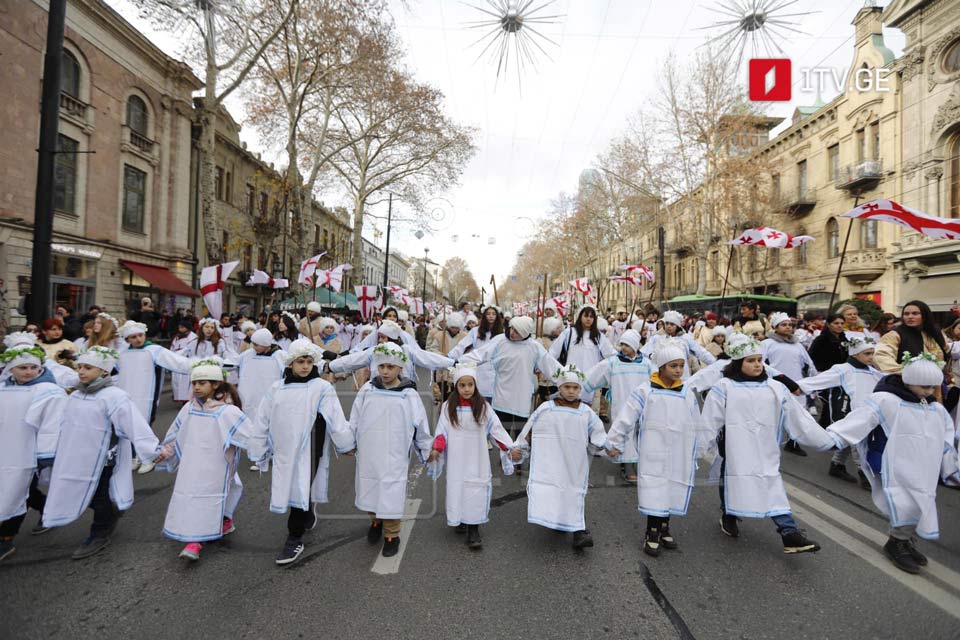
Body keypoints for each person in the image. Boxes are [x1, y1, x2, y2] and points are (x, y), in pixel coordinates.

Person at [699, 333, 834, 554]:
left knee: (771, 485)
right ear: (738, 363)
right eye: (750, 361)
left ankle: (789, 533)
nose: (757, 365)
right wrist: (697, 449)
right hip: (734, 446)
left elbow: (798, 417)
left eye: (760, 360)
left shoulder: (775, 387)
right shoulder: (724, 386)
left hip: (764, 448)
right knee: (732, 479)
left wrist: (826, 440)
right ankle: (729, 515)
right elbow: (709, 420)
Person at [826, 353, 960, 574]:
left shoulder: (933, 406)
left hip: (921, 464)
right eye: (924, 386)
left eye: (932, 387)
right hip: (890, 459)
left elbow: (944, 431)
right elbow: (861, 419)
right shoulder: (887, 399)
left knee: (919, 500)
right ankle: (896, 542)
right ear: (908, 380)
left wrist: (946, 458)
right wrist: (831, 437)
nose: (929, 392)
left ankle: (904, 539)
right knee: (904, 500)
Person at [42, 346, 166, 559]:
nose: (81, 371)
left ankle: (100, 532)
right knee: (81, 491)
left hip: (104, 459)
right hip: (77, 456)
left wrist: (151, 450)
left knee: (99, 496)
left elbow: (134, 425)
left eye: (88, 367)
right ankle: (111, 512)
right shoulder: (75, 396)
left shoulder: (115, 397)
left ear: (104, 371)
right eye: (80, 366)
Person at [243, 340, 352, 565]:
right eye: (300, 362)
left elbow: (336, 419)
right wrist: (258, 446)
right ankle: (308, 507)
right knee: (295, 485)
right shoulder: (277, 388)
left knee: (300, 484)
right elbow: (263, 419)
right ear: (291, 363)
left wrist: (346, 444)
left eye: (309, 362)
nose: (304, 366)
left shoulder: (321, 388)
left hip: (311, 447)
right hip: (284, 449)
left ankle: (295, 537)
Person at [606, 338, 701, 557]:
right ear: (661, 366)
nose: (678, 370)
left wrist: (697, 450)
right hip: (653, 449)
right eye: (673, 366)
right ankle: (652, 531)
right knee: (655, 487)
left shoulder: (686, 392)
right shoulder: (645, 391)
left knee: (672, 485)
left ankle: (665, 526)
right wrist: (615, 443)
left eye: (681, 366)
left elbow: (695, 422)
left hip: (678, 450)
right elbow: (626, 418)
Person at [341, 343, 433, 558]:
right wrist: (347, 442)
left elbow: (421, 425)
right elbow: (354, 419)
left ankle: (392, 534)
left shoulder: (408, 394)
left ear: (400, 368)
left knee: (391, 492)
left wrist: (426, 450)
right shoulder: (368, 390)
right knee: (370, 488)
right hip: (369, 452)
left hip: (395, 454)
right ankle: (375, 520)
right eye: (382, 366)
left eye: (391, 367)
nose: (385, 371)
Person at [156, 357, 248, 562]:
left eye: (202, 383)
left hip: (217, 466)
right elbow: (176, 433)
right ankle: (202, 532)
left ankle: (196, 540)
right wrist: (165, 451)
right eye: (194, 383)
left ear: (216, 384)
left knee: (212, 497)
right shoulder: (188, 408)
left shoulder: (228, 412)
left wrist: (270, 451)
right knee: (192, 497)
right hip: (191, 466)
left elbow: (250, 436)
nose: (196, 387)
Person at [509, 364, 608, 550]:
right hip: (551, 461)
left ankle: (579, 532)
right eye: (567, 387)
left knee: (574, 492)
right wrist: (519, 449)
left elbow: (598, 433)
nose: (571, 391)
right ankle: (558, 520)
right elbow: (530, 431)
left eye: (575, 388)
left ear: (580, 389)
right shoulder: (546, 408)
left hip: (575, 462)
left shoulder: (586, 411)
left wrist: (607, 447)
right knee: (553, 491)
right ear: (559, 388)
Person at [426, 363, 514, 550]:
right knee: (458, 489)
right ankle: (461, 519)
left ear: (475, 385)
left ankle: (474, 530)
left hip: (478, 458)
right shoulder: (449, 407)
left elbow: (496, 430)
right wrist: (437, 449)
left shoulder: (484, 407)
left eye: (470, 385)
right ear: (456, 387)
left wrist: (509, 448)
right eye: (462, 385)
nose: (466, 389)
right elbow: (442, 432)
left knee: (476, 490)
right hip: (457, 459)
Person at [0, 342, 66, 563]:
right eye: (22, 368)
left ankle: (6, 537)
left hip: (27, 452)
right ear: (11, 369)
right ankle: (45, 506)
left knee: (16, 492)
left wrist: (45, 454)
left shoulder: (48, 391)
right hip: (5, 449)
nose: (28, 372)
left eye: (32, 367)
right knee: (14, 489)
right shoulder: (3, 388)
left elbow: (52, 424)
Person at [798, 334, 883, 486]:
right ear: (855, 354)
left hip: (868, 412)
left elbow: (886, 379)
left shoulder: (872, 371)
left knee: (848, 438)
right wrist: (794, 386)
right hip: (848, 411)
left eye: (872, 353)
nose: (871, 357)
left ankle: (837, 464)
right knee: (858, 439)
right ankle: (864, 473)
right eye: (867, 353)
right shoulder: (843, 369)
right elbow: (819, 380)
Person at [462, 316, 563, 442]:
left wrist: (568, 378)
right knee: (502, 432)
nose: (512, 333)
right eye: (511, 329)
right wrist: (459, 362)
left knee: (521, 431)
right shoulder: (500, 341)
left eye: (517, 331)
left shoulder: (534, 347)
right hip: (502, 395)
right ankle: (504, 458)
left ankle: (518, 457)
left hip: (522, 396)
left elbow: (550, 366)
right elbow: (480, 354)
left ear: (525, 333)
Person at [115, 321, 193, 474]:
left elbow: (178, 363)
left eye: (140, 335)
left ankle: (148, 456)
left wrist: (203, 366)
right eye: (133, 337)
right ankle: (133, 456)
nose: (138, 339)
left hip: (146, 395)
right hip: (127, 393)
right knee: (126, 425)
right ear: (127, 339)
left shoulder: (153, 350)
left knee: (143, 424)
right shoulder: (122, 353)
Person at [584, 329, 654, 484]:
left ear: (635, 347)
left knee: (641, 434)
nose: (623, 348)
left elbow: (657, 381)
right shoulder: (613, 363)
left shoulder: (647, 364)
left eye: (627, 345)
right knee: (624, 432)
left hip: (643, 406)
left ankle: (638, 463)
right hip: (621, 404)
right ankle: (627, 465)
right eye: (622, 344)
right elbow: (593, 376)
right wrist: (575, 383)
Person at [229, 328, 287, 472]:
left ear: (267, 344)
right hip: (250, 396)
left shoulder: (279, 355)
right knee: (254, 425)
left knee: (271, 424)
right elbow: (232, 363)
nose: (253, 347)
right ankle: (259, 455)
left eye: (257, 344)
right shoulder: (248, 355)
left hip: (270, 396)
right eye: (253, 344)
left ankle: (273, 452)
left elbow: (290, 368)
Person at [549, 305, 616, 403]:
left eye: (591, 317)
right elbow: (554, 351)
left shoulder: (598, 336)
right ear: (580, 317)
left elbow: (610, 353)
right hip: (571, 377)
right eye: (586, 316)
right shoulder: (569, 333)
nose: (588, 319)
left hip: (590, 380)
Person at [448, 305, 505, 401]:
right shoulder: (475, 331)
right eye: (488, 314)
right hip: (479, 369)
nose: (491, 316)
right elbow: (462, 345)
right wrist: (450, 357)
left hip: (495, 370)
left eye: (494, 314)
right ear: (484, 316)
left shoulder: (502, 334)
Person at [875, 301, 947, 374]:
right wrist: (906, 373)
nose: (910, 317)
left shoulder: (935, 332)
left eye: (915, 313)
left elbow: (946, 352)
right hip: (906, 381)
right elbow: (881, 356)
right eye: (906, 314)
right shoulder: (895, 334)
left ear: (925, 315)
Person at [640, 310, 716, 379]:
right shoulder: (656, 338)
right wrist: (652, 356)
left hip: (681, 376)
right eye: (667, 323)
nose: (669, 326)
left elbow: (701, 352)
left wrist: (716, 364)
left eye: (672, 324)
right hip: (662, 377)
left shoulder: (686, 338)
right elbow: (644, 353)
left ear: (677, 326)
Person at [428, 312, 466, 403]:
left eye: (457, 328)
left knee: (457, 396)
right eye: (452, 327)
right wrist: (443, 357)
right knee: (444, 396)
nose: (454, 330)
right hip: (443, 371)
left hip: (457, 369)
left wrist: (460, 358)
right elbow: (432, 349)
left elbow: (468, 351)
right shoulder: (440, 335)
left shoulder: (464, 337)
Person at [169, 319, 198, 402]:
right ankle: (178, 397)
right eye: (179, 327)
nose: (180, 329)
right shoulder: (177, 337)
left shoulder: (193, 338)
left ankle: (187, 399)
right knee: (176, 382)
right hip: (177, 363)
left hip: (186, 363)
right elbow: (172, 348)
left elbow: (192, 350)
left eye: (182, 327)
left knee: (186, 382)